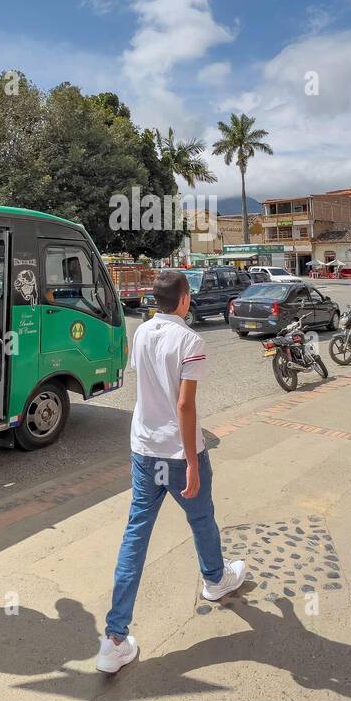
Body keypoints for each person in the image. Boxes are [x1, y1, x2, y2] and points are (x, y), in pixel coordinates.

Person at [98, 270, 247, 673]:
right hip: (179, 453)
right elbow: (184, 406)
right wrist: (193, 460)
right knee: (201, 518)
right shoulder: (191, 341)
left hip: (144, 450)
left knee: (136, 535)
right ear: (183, 299)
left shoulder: (142, 333)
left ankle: (114, 637)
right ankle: (215, 579)